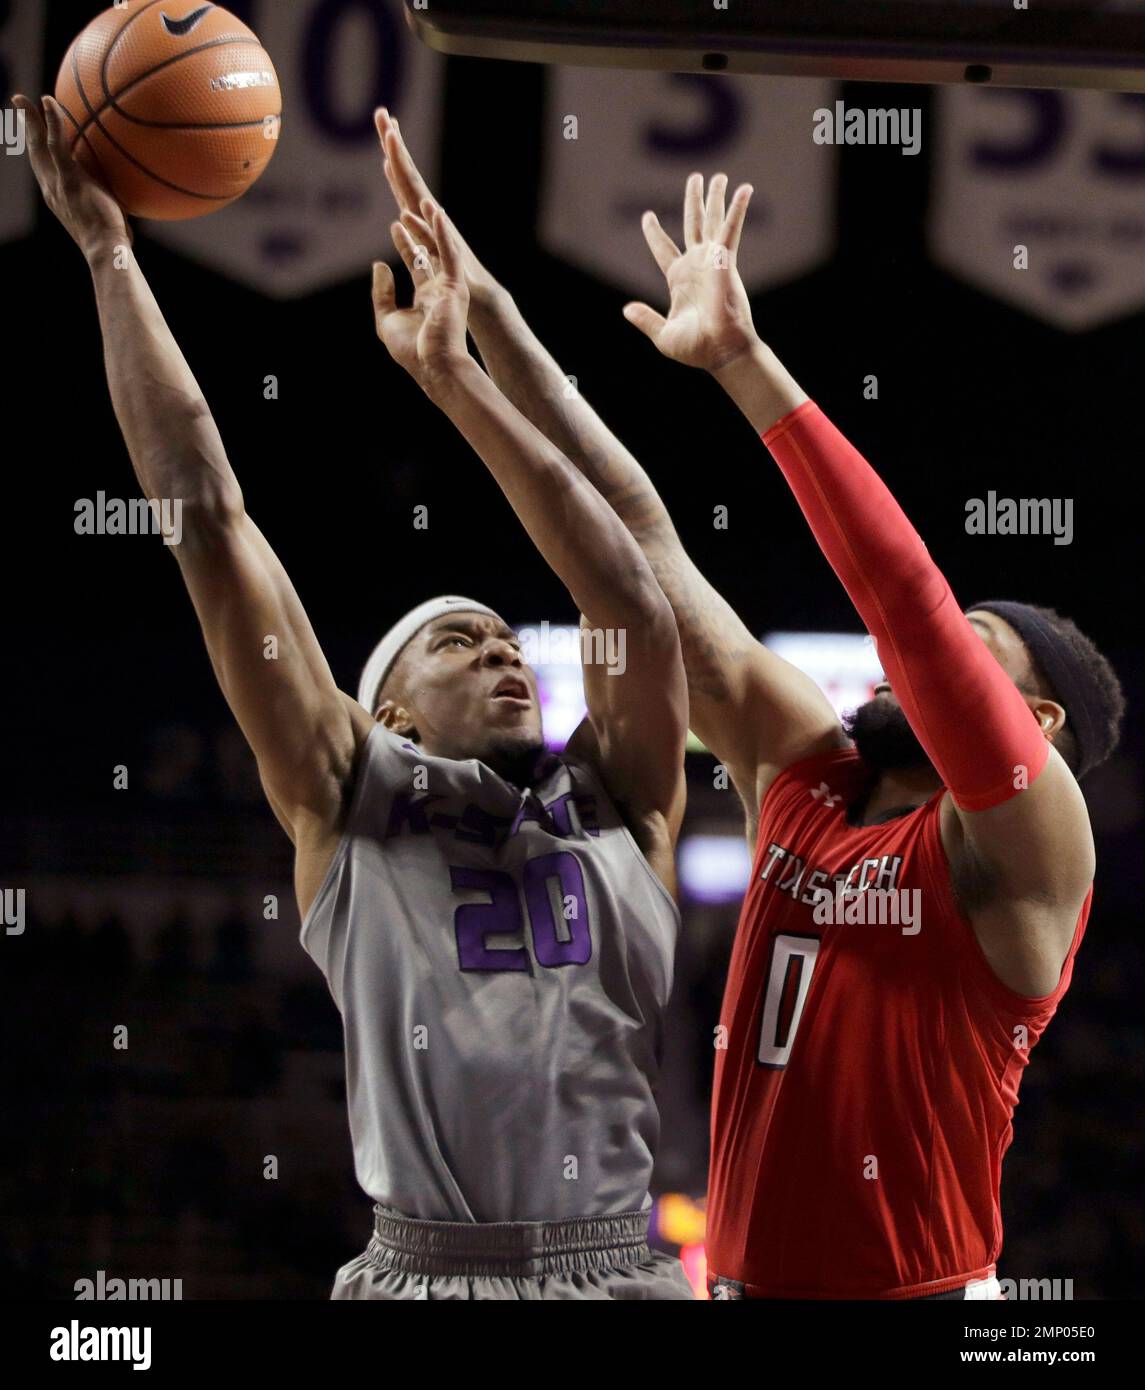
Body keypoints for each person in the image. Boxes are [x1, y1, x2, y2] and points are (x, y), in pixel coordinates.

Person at [376, 116, 1124, 1299]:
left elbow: (909, 606)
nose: (900, 675)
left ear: (1031, 727)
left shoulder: (1030, 852)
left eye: (969, 667)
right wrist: (482, 334)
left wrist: (744, 366)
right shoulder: (803, 765)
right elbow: (638, 541)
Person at [16, 91, 693, 1301]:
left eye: (504, 640)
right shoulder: (349, 793)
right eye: (456, 641)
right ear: (387, 712)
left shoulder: (626, 799)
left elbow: (631, 604)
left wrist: (453, 375)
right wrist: (109, 252)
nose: (499, 653)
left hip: (619, 1273)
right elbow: (207, 517)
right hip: (424, 1272)